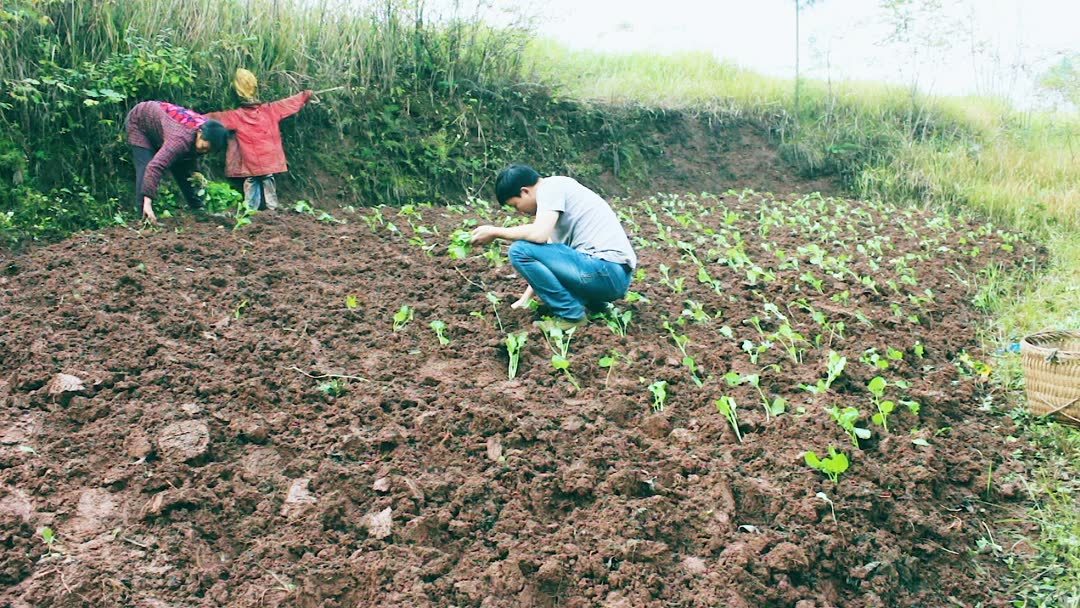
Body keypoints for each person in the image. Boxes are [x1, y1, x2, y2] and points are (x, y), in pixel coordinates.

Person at [471, 164, 637, 328]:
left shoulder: (550, 188)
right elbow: (548, 261)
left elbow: (539, 234)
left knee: (518, 250)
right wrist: (525, 300)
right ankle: (597, 306)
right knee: (530, 250)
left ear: (525, 191)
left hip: (604, 271)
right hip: (613, 277)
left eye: (516, 205)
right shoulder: (559, 195)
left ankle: (572, 317)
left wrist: (495, 232)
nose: (519, 212)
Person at [205, 69, 313, 211]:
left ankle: (250, 209)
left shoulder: (236, 116)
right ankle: (272, 208)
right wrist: (304, 96)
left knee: (251, 180)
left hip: (251, 161)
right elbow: (288, 104)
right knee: (268, 178)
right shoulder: (270, 110)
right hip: (269, 158)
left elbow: (214, 118)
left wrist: (190, 117)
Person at [125, 100, 229, 224]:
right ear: (200, 133)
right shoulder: (180, 139)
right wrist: (147, 202)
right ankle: (143, 214)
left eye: (208, 151)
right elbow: (155, 166)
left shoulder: (206, 129)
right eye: (204, 147)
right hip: (140, 121)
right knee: (146, 165)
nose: (204, 152)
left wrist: (195, 174)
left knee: (182, 168)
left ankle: (197, 208)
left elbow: (189, 161)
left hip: (162, 126)